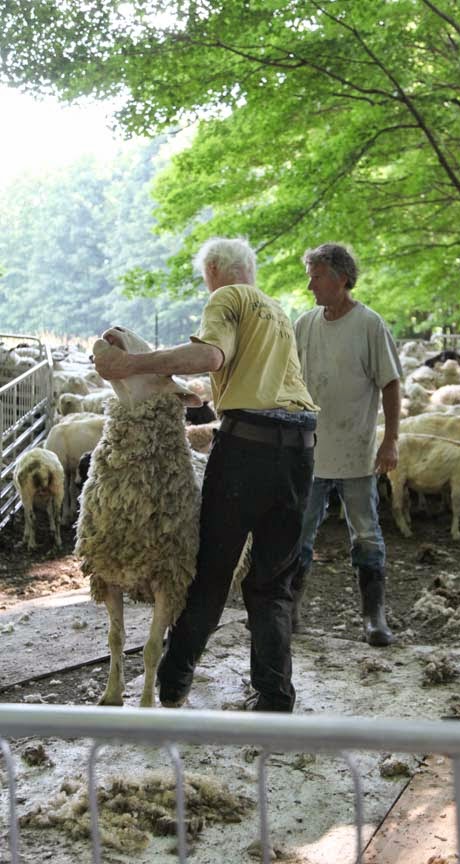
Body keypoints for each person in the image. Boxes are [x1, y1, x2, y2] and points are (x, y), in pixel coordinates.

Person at [94, 237, 318, 712]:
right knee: (272, 583)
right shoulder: (276, 312)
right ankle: (275, 699)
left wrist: (129, 363)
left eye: (204, 279)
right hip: (299, 450)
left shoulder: (227, 297)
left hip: (248, 449)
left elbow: (210, 356)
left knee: (209, 573)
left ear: (214, 270)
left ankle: (171, 687)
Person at [293, 243, 402, 646]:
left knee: (366, 533)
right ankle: (292, 610)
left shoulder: (369, 325)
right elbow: (290, 379)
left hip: (356, 451)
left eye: (317, 276)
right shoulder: (304, 324)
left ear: (341, 278)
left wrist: (390, 441)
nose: (310, 285)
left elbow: (390, 384)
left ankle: (374, 618)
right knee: (299, 534)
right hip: (310, 450)